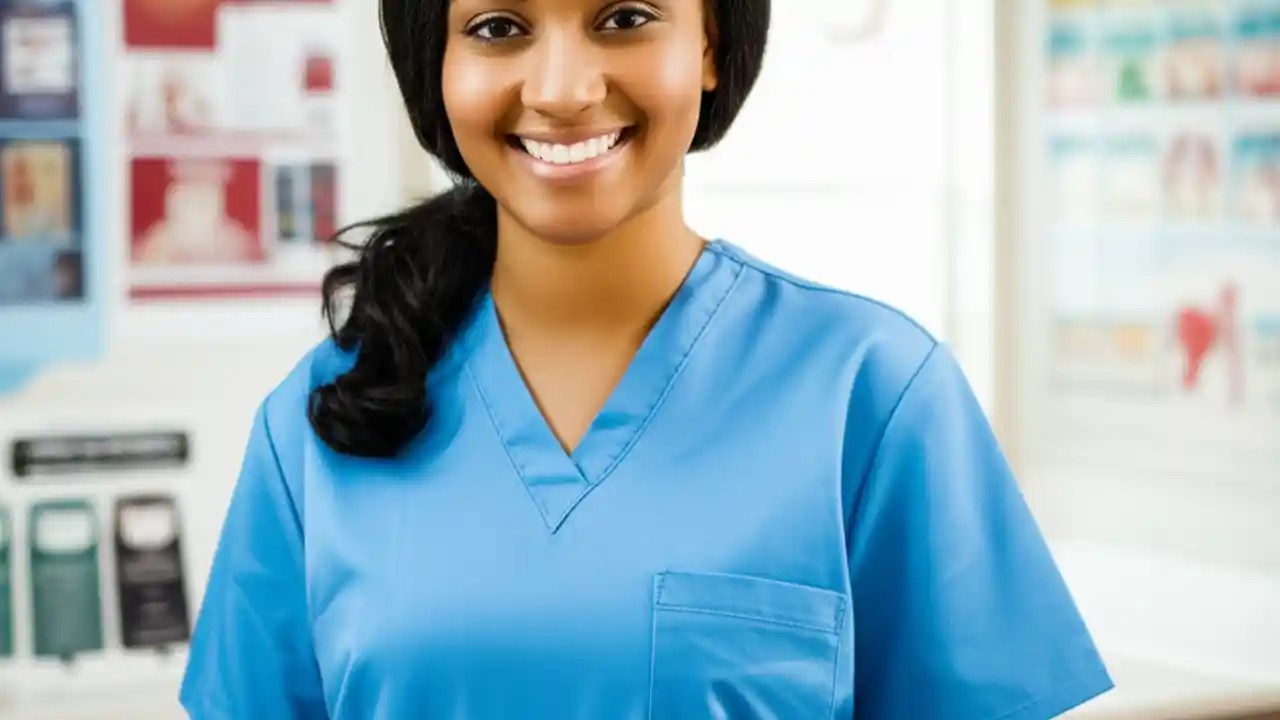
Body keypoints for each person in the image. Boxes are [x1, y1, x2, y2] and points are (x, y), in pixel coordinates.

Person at [180, 0, 1114, 717]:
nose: (560, 87)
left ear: (711, 42)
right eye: (499, 26)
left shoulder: (871, 396)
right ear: (437, 62)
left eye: (624, 17)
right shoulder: (320, 420)